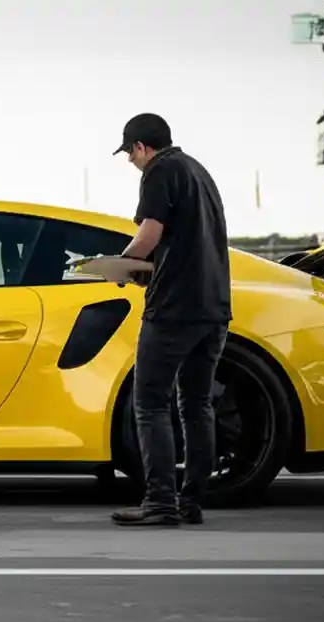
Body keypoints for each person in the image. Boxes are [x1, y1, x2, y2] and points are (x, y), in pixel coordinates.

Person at [109, 113, 232, 527]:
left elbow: (150, 234)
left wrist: (121, 265)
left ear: (141, 147)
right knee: (196, 405)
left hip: (174, 308)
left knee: (150, 403)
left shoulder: (160, 171)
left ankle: (160, 502)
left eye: (129, 153)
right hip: (213, 307)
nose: (130, 161)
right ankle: (190, 502)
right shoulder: (199, 172)